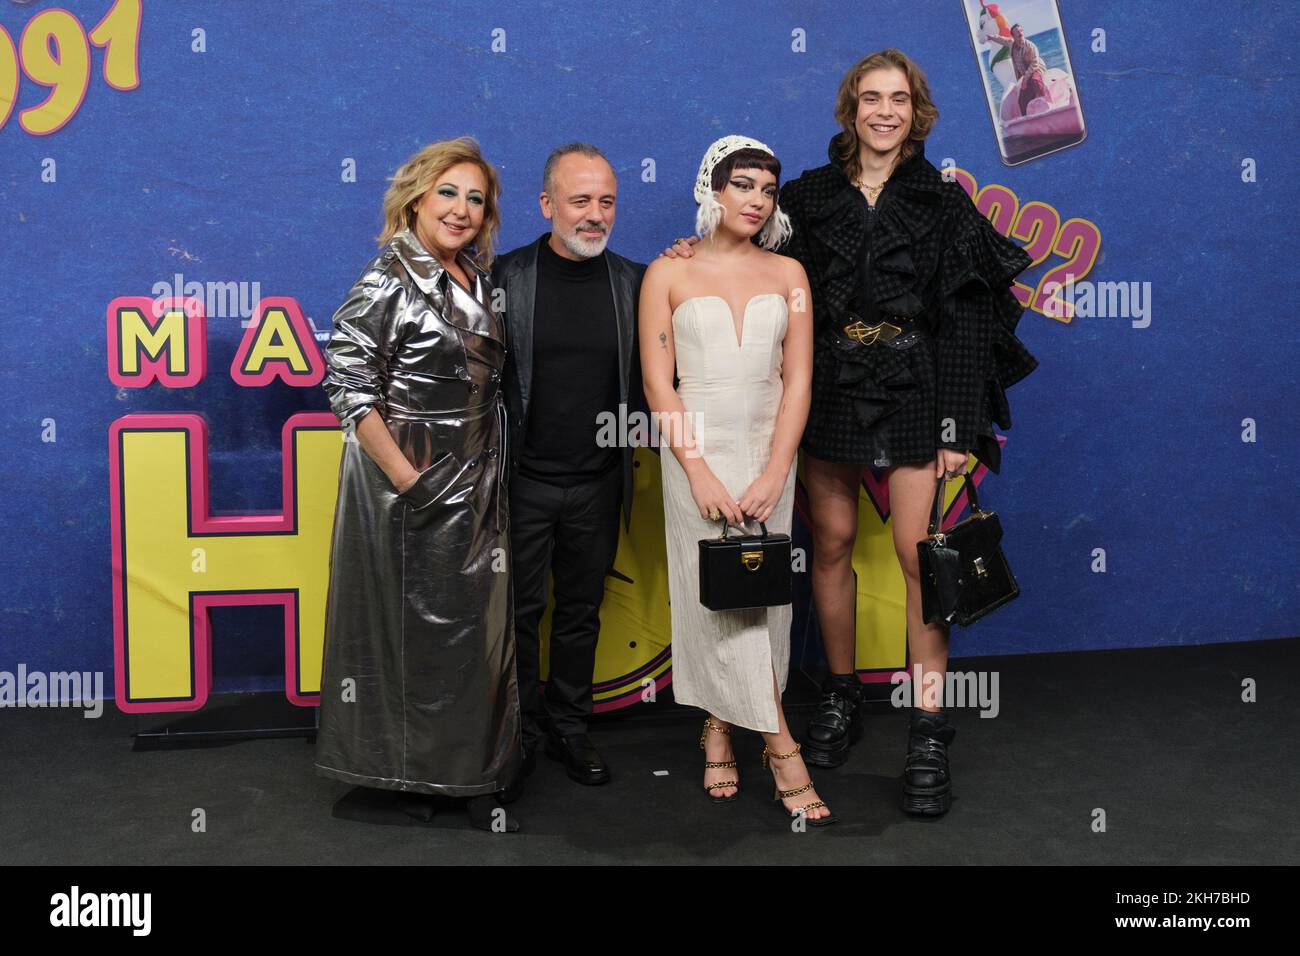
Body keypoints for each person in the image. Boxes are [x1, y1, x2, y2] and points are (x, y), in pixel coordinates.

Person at [666, 50, 1039, 817]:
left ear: (918, 112)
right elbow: (747, 267)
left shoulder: (943, 202)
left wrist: (958, 423)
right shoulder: (804, 195)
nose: (884, 111)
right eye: (870, 98)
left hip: (915, 389)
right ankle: (839, 697)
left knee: (919, 557)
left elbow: (969, 316)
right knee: (829, 543)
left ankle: (929, 728)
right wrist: (688, 253)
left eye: (899, 99)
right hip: (827, 387)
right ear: (850, 108)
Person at [316, 137, 523, 832]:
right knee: (413, 634)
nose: (462, 210)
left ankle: (472, 771)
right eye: (448, 193)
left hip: (482, 474)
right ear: (414, 197)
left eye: (476, 199)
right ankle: (412, 773)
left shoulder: (479, 279)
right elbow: (348, 386)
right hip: (408, 487)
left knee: (476, 634)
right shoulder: (385, 280)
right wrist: (410, 478)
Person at [641, 136, 830, 824]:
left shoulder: (791, 276)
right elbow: (659, 383)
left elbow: (800, 376)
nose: (755, 200)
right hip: (696, 456)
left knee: (763, 603)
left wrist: (781, 466)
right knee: (715, 598)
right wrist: (695, 468)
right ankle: (781, 748)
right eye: (742, 185)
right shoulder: (667, 274)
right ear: (712, 190)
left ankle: (721, 728)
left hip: (768, 453)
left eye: (767, 190)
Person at [492, 144, 645, 786]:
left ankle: (569, 730)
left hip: (599, 481)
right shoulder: (501, 278)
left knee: (581, 612)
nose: (594, 215)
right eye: (580, 201)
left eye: (606, 201)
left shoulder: (636, 283)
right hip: (522, 482)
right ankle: (519, 735)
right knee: (517, 615)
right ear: (547, 205)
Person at [985, 19, 1050, 114]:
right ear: (1013, 36)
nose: (1020, 33)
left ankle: (1046, 103)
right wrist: (991, 37)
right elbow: (1001, 39)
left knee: (1035, 81)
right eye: (1017, 32)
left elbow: (1034, 65)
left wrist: (1025, 80)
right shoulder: (1012, 44)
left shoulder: (1031, 47)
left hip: (1035, 71)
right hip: (1024, 76)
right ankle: (1026, 118)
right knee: (1021, 100)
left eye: (1021, 31)